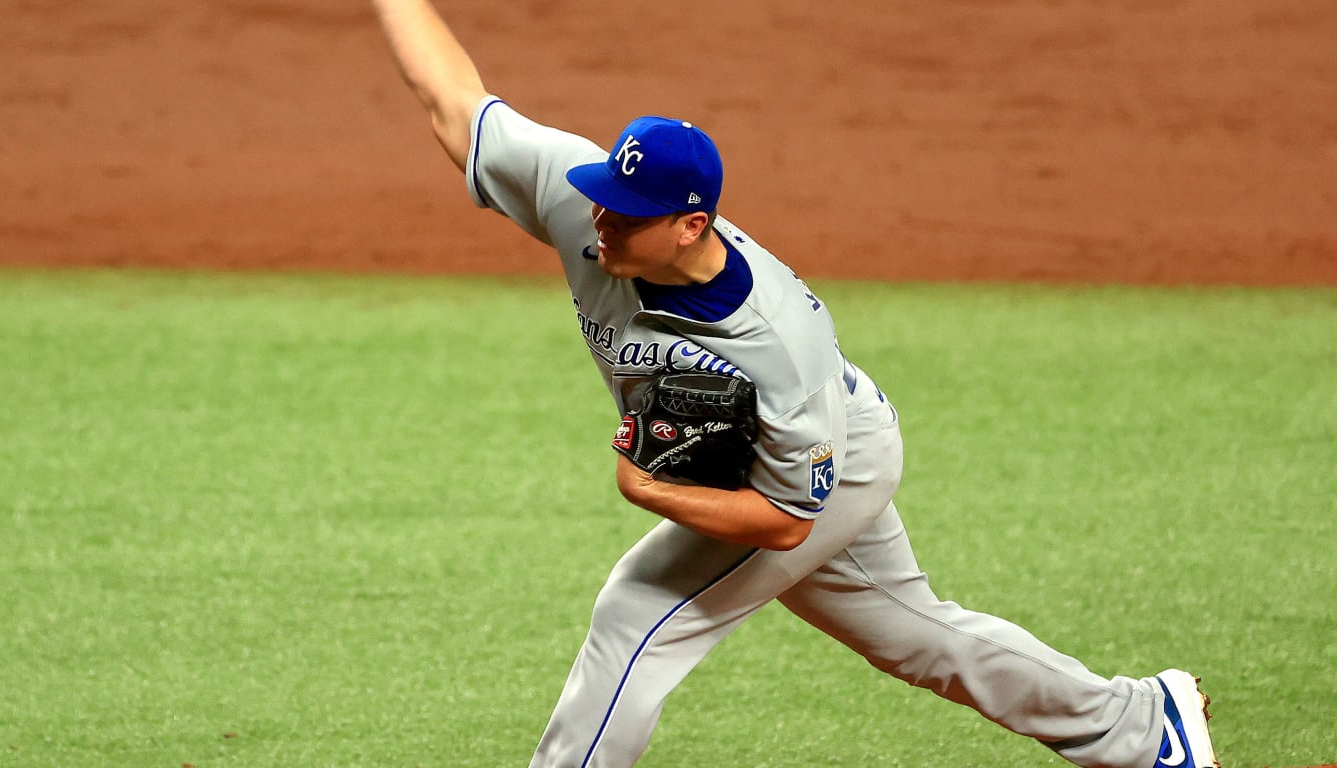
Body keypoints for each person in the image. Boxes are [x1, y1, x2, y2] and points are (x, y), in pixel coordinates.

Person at [368, 2, 1221, 767]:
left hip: (824, 463)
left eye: (627, 215)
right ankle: (1147, 727)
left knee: (636, 615)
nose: (600, 220)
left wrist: (650, 492)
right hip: (790, 463)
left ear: (691, 224)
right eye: (601, 199)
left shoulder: (777, 344)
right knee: (914, 637)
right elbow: (455, 103)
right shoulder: (591, 202)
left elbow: (782, 522)